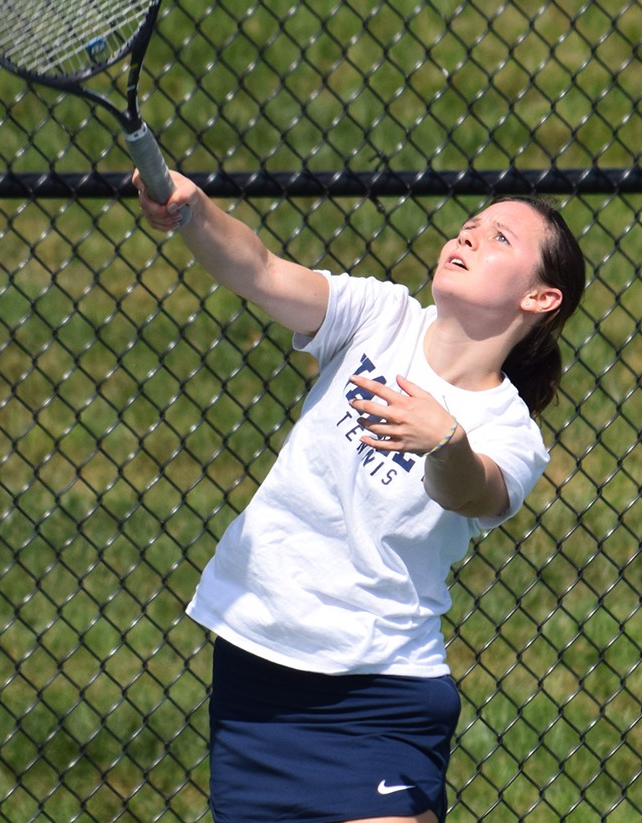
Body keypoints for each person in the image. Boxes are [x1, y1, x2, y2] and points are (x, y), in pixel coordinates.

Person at [134, 170, 586, 823]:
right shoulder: (380, 314)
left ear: (539, 297)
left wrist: (445, 441)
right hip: (256, 665)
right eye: (470, 225)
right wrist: (194, 213)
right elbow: (259, 269)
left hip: (378, 687)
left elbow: (473, 493)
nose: (468, 235)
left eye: (497, 238)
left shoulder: (508, 430)